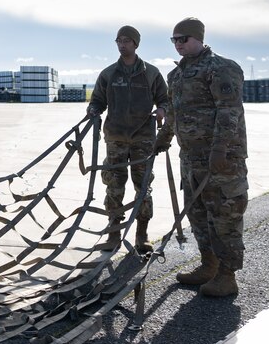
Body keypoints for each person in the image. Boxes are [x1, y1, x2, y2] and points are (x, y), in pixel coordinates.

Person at [155, 17, 248, 297]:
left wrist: (220, 148)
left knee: (224, 215)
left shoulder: (221, 68)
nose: (178, 45)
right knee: (198, 215)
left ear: (198, 38)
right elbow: (172, 112)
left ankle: (227, 275)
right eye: (174, 40)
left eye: (182, 39)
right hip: (192, 160)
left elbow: (229, 111)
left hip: (222, 160)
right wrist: (162, 140)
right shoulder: (177, 75)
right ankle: (209, 265)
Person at [87, 25, 169, 253]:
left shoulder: (151, 73)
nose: (122, 44)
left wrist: (162, 110)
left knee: (143, 186)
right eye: (119, 41)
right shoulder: (109, 74)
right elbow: (97, 101)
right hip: (116, 138)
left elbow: (165, 99)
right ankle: (113, 233)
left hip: (144, 139)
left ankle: (142, 235)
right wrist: (93, 110)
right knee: (114, 186)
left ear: (135, 44)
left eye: (126, 41)